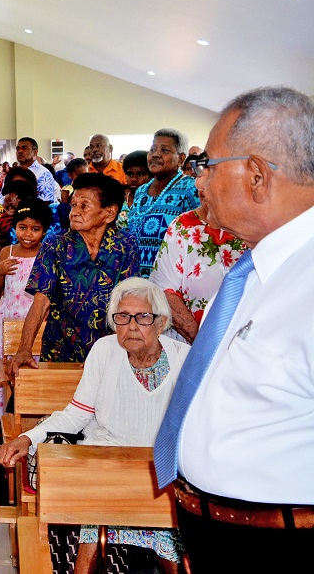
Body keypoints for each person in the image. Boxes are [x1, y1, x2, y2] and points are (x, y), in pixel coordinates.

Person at [153, 87, 314, 571]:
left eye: (208, 165)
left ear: (257, 176)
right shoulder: (259, 267)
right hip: (220, 536)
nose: (198, 181)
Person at [0, 278, 188, 574]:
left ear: (161, 322)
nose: (132, 326)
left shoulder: (183, 358)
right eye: (123, 317)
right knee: (87, 550)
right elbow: (77, 414)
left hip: (159, 479)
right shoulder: (104, 351)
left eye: (143, 317)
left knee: (174, 556)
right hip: (106, 475)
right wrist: (28, 437)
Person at [8, 173, 139, 379]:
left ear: (109, 213)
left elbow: (129, 302)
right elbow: (41, 301)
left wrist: (109, 352)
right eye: (73, 204)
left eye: (84, 206)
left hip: (110, 350)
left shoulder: (125, 246)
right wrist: (24, 348)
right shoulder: (56, 244)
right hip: (61, 350)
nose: (74, 212)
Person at [0, 199, 52, 423]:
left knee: (33, 374)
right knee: (7, 371)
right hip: (8, 321)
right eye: (22, 227)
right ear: (15, 227)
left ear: (44, 231)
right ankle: (7, 421)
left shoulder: (47, 253)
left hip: (35, 324)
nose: (28, 234)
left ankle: (32, 421)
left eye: (35, 229)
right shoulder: (7, 251)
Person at [149, 196, 245, 344]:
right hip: (190, 347)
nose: (199, 184)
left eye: (210, 174)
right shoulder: (183, 226)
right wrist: (203, 344)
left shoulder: (260, 227)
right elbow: (163, 291)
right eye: (198, 175)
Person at [126, 129, 199, 276]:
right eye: (152, 149)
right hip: (136, 280)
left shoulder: (191, 188)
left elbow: (200, 237)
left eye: (164, 150)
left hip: (171, 281)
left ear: (180, 159)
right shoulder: (141, 191)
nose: (155, 155)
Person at [0, 179, 37, 249]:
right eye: (6, 207)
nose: (9, 212)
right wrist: (9, 241)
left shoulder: (37, 216)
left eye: (13, 207)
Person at [16, 137, 61, 203]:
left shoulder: (43, 173)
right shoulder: (13, 172)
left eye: (24, 148)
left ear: (35, 152)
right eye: (18, 149)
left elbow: (46, 201)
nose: (19, 151)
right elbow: (2, 199)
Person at [117, 150, 150, 229]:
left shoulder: (154, 201)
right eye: (130, 174)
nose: (134, 179)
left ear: (150, 175)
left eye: (140, 174)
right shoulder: (118, 197)